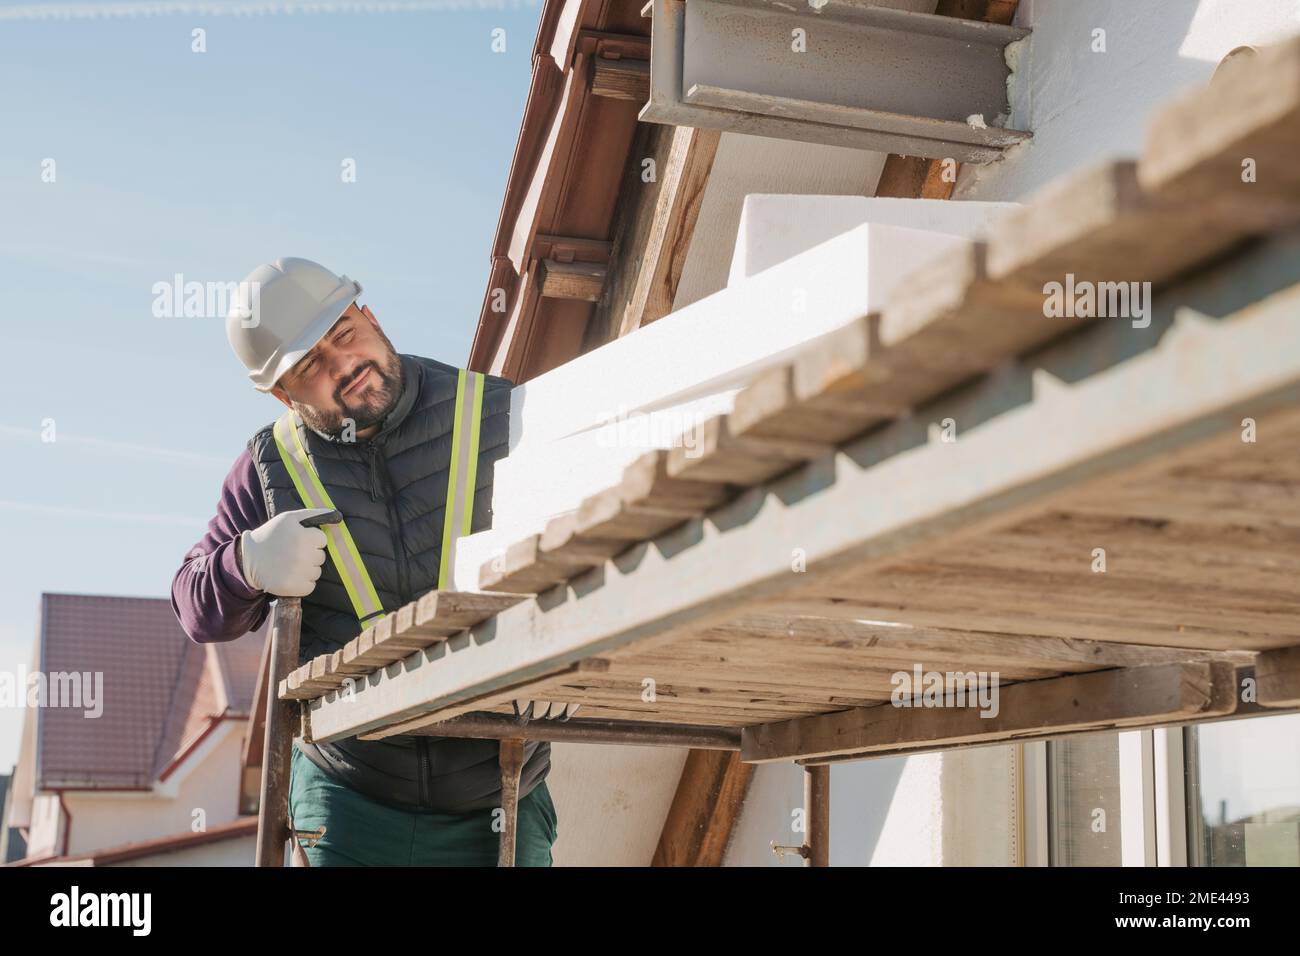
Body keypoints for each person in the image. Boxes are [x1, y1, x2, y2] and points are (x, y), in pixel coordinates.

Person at [171, 256, 556, 865]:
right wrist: (247, 563)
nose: (344, 365)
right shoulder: (270, 470)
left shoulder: (498, 413)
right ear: (281, 392)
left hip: (500, 787)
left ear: (369, 315)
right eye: (311, 365)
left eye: (345, 334)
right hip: (352, 798)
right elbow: (195, 608)